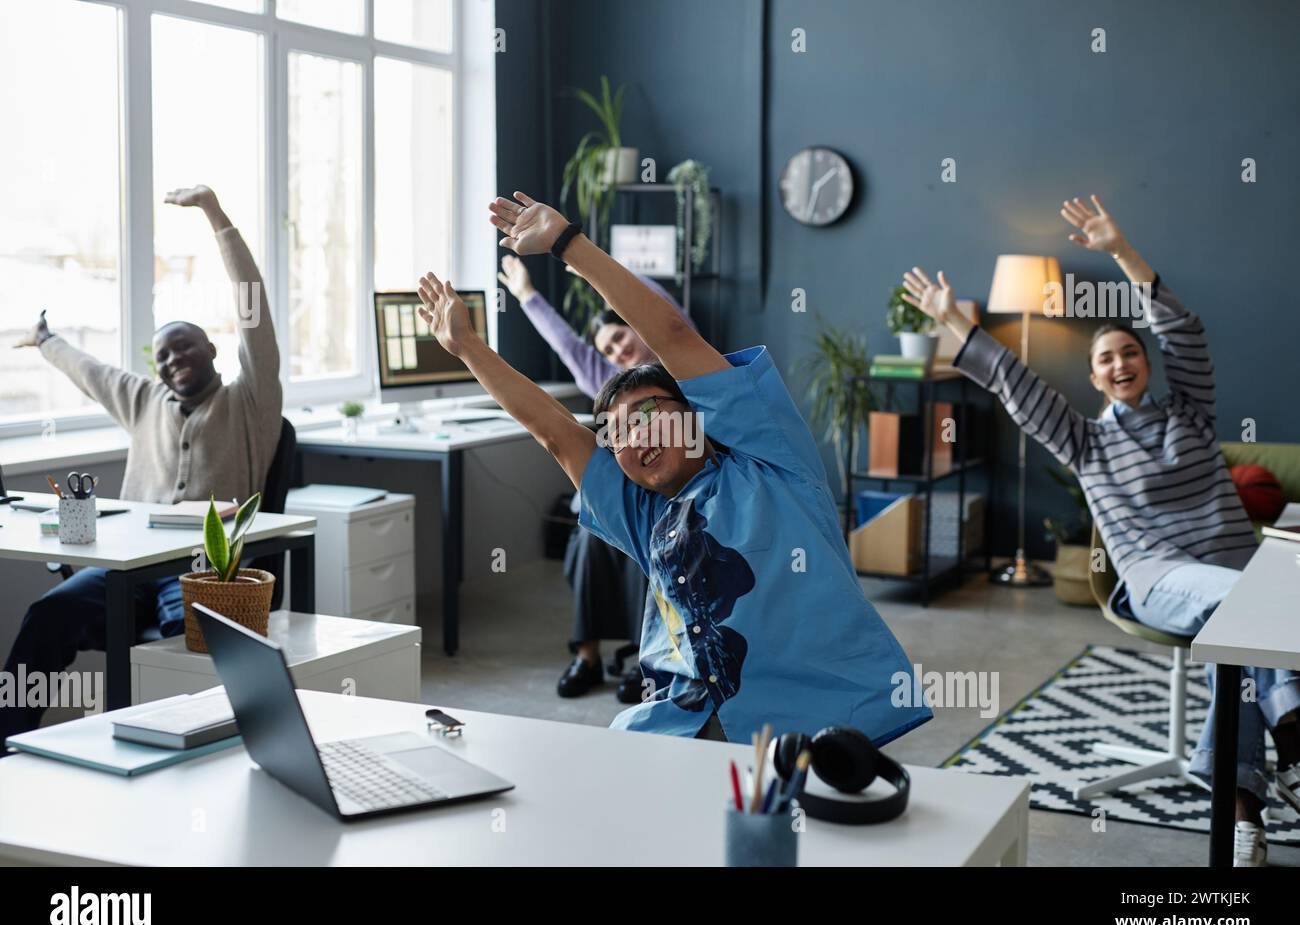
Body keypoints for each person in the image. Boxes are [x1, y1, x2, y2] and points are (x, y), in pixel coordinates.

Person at [413, 189, 931, 745]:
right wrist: (467, 347)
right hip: (674, 728)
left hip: (807, 726)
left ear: (698, 414)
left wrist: (568, 245)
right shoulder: (643, 515)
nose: (632, 436)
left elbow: (675, 337)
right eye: (616, 434)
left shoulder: (772, 460)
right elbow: (555, 434)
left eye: (648, 414)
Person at [901, 194, 1300, 866]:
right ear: (1092, 377)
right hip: (1159, 578)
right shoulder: (1083, 442)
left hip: (1236, 570)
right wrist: (951, 323)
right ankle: (1293, 729)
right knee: (1252, 616)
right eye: (1106, 359)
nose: (1120, 364)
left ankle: (1243, 812)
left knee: (1246, 641)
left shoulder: (1191, 416)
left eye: (1129, 352)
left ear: (1147, 361)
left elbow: (1188, 333)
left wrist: (1121, 251)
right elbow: (1014, 383)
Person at [1, 185, 281, 745]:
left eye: (185, 347)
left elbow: (253, 307)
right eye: (163, 355)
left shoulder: (250, 401)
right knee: (48, 614)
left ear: (214, 352)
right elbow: (91, 371)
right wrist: (46, 339)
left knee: (187, 643)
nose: (174, 360)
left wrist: (215, 215)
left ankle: (200, 747)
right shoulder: (145, 402)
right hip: (126, 571)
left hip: (201, 571)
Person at [497, 255, 699, 701]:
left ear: (635, 325)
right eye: (607, 349)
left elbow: (663, 309)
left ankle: (653, 658)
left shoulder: (684, 362)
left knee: (656, 542)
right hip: (627, 498)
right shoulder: (604, 381)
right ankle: (586, 656)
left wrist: (595, 264)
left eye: (620, 337)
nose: (616, 352)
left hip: (678, 499)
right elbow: (565, 344)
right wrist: (527, 295)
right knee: (590, 540)